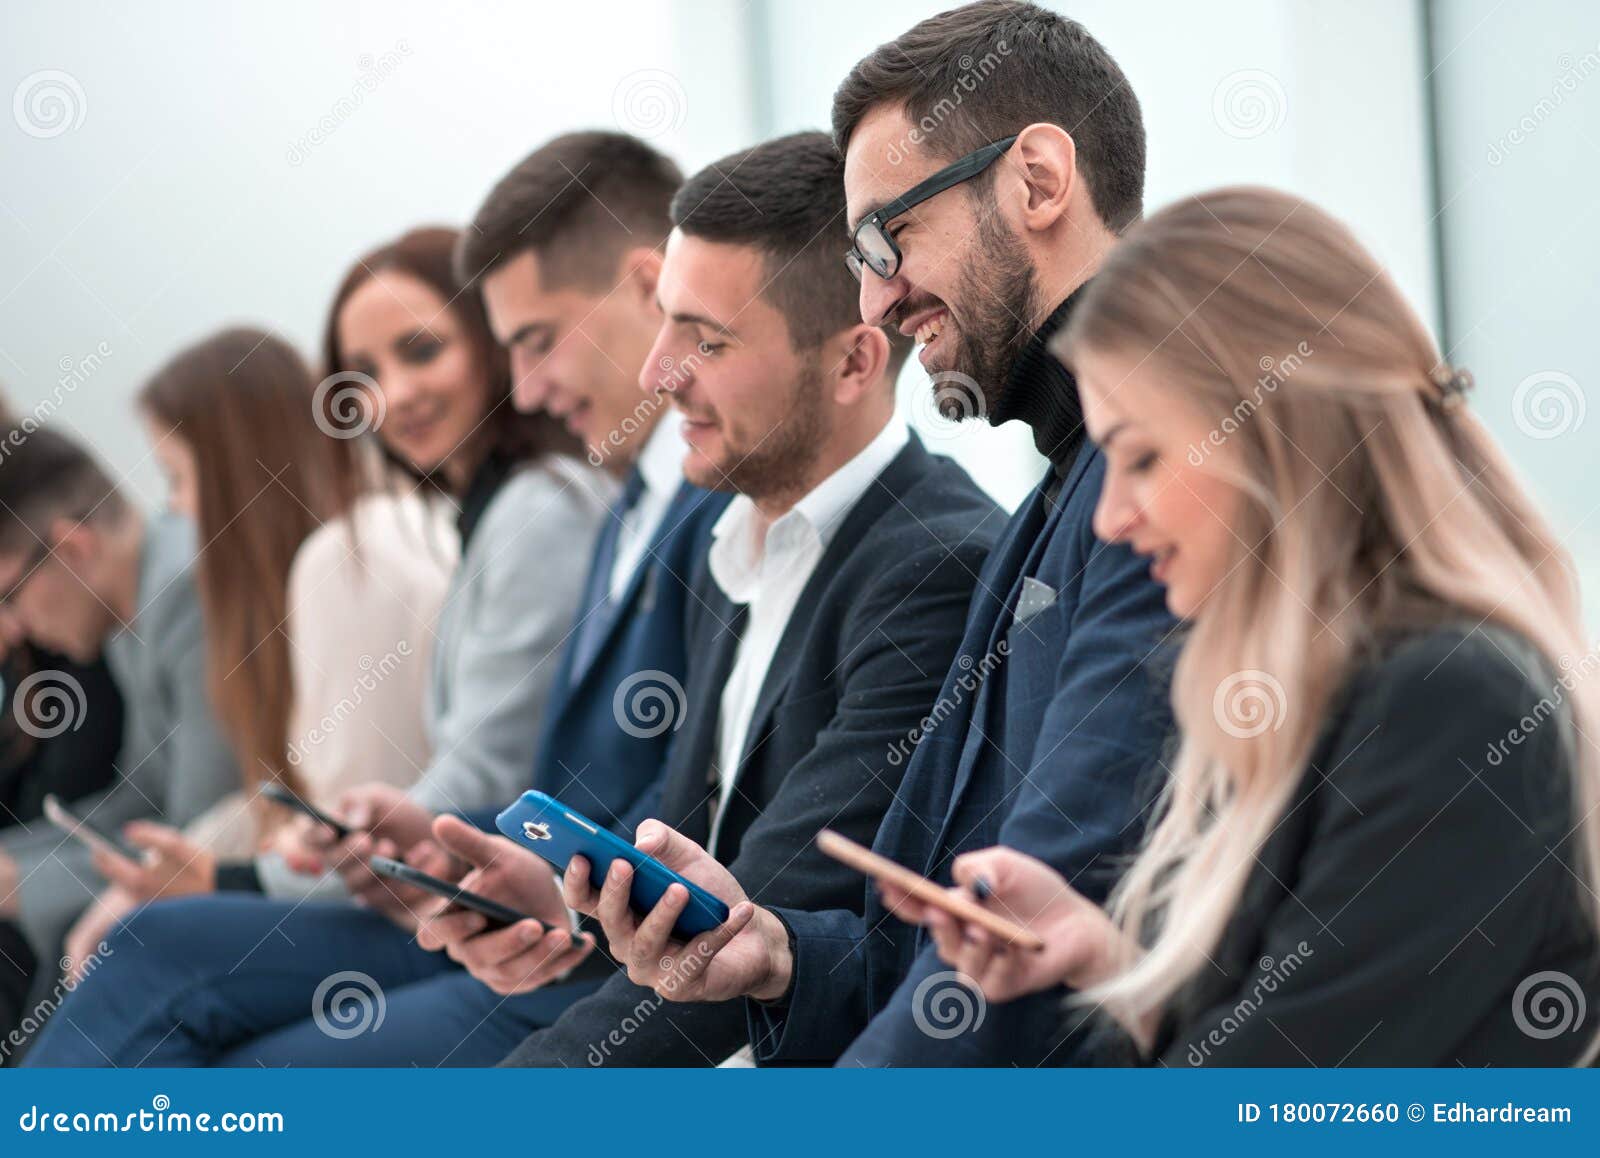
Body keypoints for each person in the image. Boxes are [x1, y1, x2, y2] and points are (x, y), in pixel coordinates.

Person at [26, 134, 724, 1066]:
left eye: (422, 350)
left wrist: (255, 869)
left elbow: (489, 771)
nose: (394, 395)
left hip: (531, 917)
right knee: (160, 965)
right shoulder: (508, 515)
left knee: (170, 968)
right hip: (495, 893)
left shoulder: (541, 508)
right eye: (367, 374)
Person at [571, 1, 1178, 1067]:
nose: (874, 297)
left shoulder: (1147, 501)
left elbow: (1017, 978)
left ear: (1038, 180)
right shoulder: (1053, 496)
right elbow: (939, 949)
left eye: (883, 237)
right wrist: (771, 955)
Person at [893, 186, 1600, 1067]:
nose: (1109, 518)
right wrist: (1110, 957)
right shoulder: (1311, 693)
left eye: (1141, 458)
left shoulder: (1452, 701)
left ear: (1279, 430)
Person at [56, 326, 453, 968]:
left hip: (390, 925)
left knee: (134, 956)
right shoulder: (319, 569)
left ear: (237, 475)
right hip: (354, 904)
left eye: (178, 479)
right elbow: (285, 801)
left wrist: (209, 873)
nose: (176, 512)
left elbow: (352, 828)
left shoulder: (350, 565)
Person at [0, 429, 237, 967]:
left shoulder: (183, 594)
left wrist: (22, 883)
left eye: (8, 597)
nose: (11, 629)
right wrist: (13, 863)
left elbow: (195, 836)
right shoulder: (130, 617)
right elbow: (140, 799)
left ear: (72, 547)